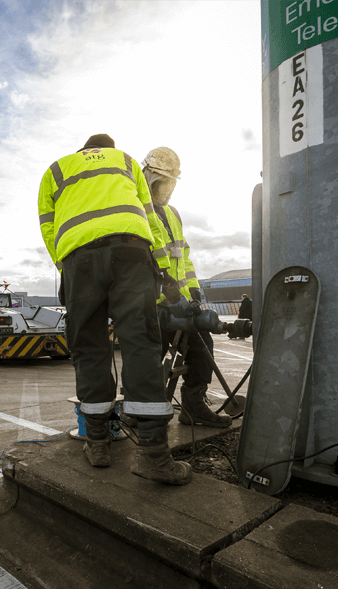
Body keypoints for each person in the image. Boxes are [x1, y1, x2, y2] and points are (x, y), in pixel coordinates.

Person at [39, 134, 192, 485]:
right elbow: (149, 214)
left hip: (80, 261)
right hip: (131, 253)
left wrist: (66, 269)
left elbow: (48, 227)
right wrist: (165, 268)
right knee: (140, 344)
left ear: (84, 150)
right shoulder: (123, 161)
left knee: (89, 349)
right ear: (106, 149)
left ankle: (97, 444)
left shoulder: (57, 170)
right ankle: (153, 454)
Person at [142, 146, 231, 429]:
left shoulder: (172, 214)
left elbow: (184, 258)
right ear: (147, 178)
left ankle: (193, 406)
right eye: (161, 183)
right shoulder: (134, 211)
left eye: (170, 184)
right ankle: (142, 413)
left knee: (203, 347)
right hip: (153, 305)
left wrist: (193, 292)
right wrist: (161, 295)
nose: (165, 190)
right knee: (149, 361)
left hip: (180, 301)